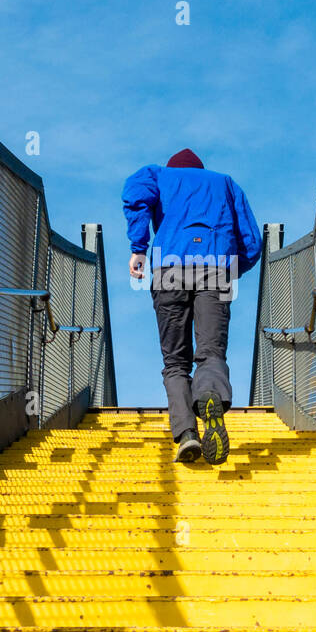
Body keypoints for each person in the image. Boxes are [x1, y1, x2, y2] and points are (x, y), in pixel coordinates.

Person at [122, 149, 262, 464]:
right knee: (211, 354)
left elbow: (134, 194)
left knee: (175, 363)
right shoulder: (226, 183)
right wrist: (231, 269)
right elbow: (251, 241)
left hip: (169, 271)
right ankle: (209, 395)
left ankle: (186, 434)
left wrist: (138, 247)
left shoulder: (158, 175)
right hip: (215, 270)